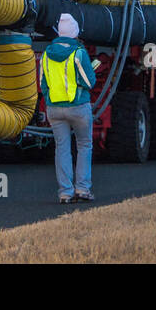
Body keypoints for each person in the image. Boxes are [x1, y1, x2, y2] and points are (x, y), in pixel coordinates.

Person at [41, 13, 100, 204]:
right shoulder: (79, 53)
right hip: (78, 107)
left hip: (54, 109)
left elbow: (43, 83)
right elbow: (89, 81)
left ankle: (65, 192)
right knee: (84, 145)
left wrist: (51, 99)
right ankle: (82, 189)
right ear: (74, 34)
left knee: (62, 148)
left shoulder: (45, 55)